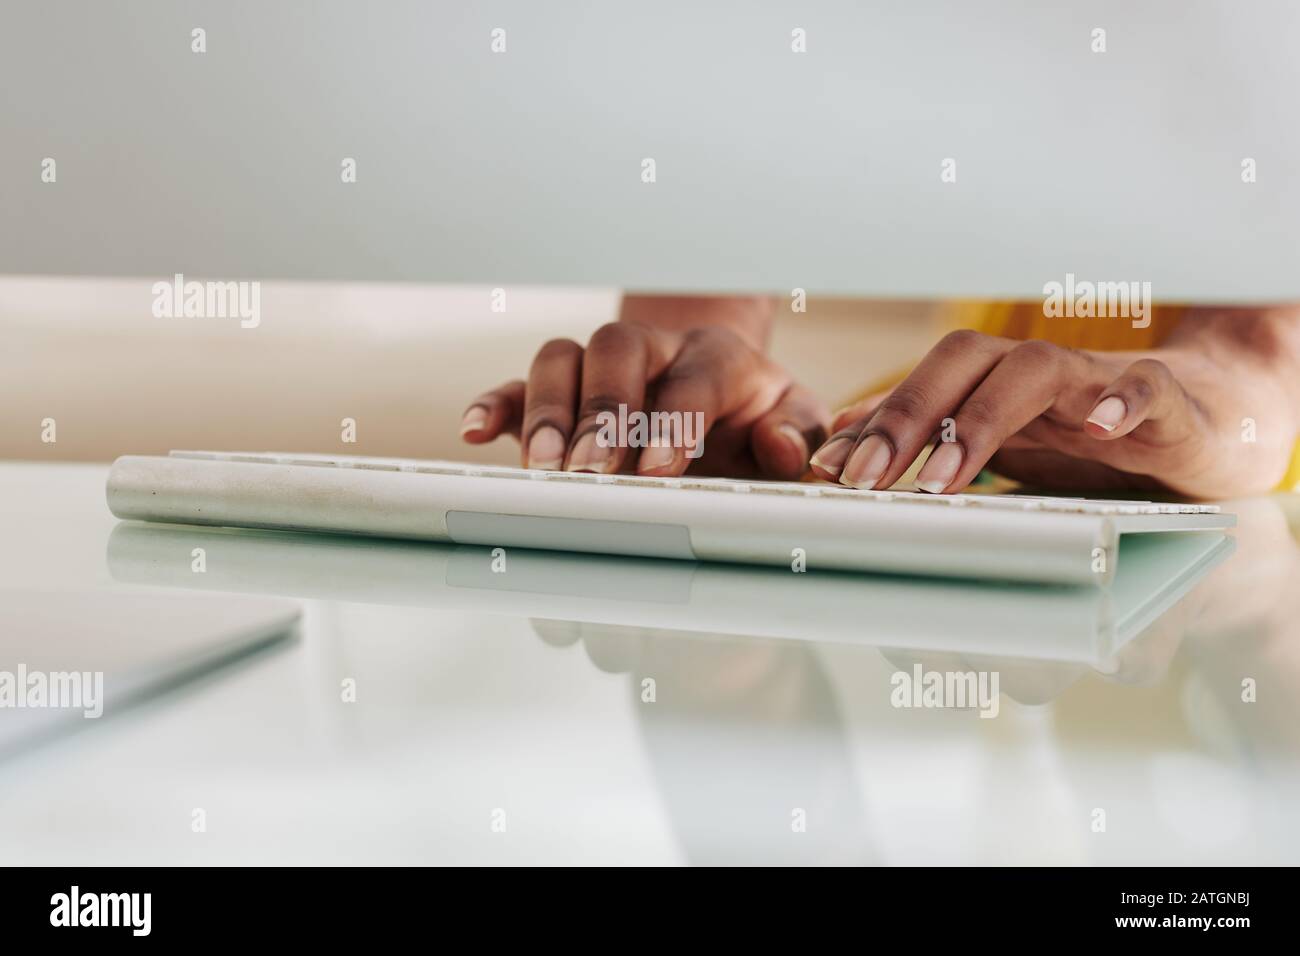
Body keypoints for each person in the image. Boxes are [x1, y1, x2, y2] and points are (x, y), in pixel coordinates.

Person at [460, 296, 1300, 498]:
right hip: (921, 431)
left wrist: (1219, 400)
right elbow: (698, 320)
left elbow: (1261, 341)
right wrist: (683, 404)